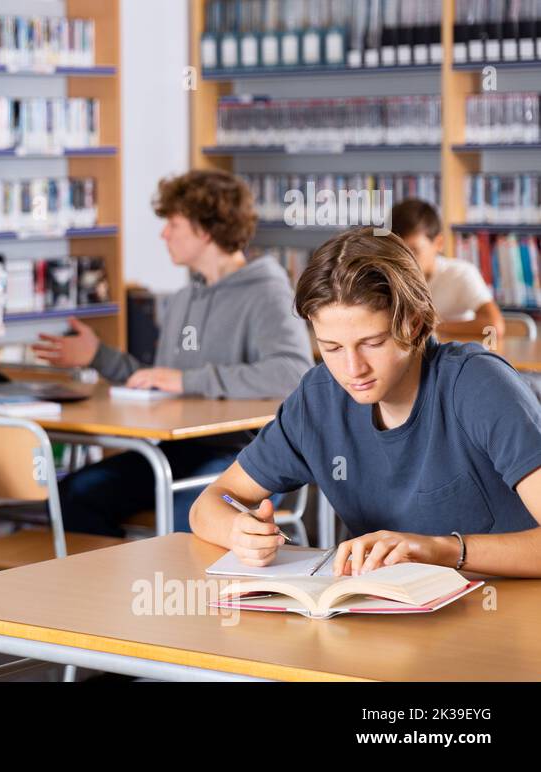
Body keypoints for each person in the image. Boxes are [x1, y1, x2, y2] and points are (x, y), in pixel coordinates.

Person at [190, 228, 541, 578]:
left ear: (414, 323)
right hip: (393, 614)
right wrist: (236, 530)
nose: (352, 369)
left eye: (372, 343)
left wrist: (441, 549)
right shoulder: (319, 399)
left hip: (508, 612)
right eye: (331, 348)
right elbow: (211, 502)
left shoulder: (479, 386)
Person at [33, 170, 313, 535]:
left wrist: (186, 379)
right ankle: (109, 590)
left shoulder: (268, 294)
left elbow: (293, 373)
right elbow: (160, 380)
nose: (164, 234)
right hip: (178, 450)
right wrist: (98, 357)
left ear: (205, 230)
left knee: (191, 522)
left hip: (245, 458)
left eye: (174, 224)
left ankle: (175, 591)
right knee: (75, 494)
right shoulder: (183, 300)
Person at [390, 198, 505, 340]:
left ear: (439, 243)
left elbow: (494, 326)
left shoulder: (460, 274)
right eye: (399, 250)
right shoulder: (389, 278)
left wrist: (429, 327)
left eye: (414, 251)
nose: (405, 260)